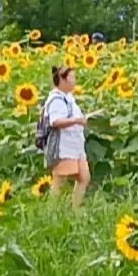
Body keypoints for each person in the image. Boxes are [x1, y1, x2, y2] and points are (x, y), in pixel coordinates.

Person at [44, 65, 96, 207]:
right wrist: (76, 120)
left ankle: (75, 209)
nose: (74, 81)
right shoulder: (56, 99)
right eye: (72, 78)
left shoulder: (69, 98)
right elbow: (56, 121)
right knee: (59, 181)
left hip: (76, 146)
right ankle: (50, 212)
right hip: (63, 147)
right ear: (62, 79)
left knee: (84, 177)